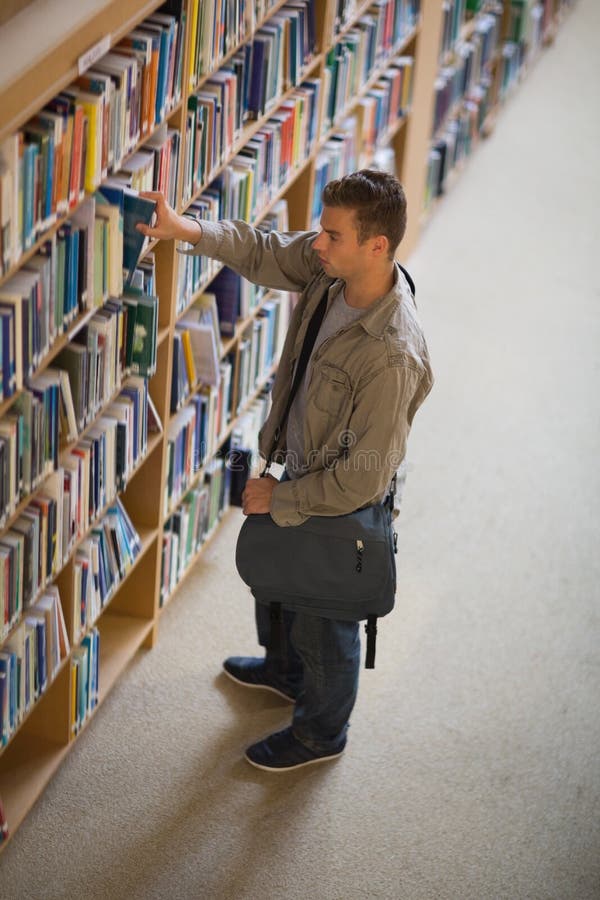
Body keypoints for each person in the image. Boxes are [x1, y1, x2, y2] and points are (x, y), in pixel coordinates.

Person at [137, 170, 433, 772]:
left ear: (376, 246)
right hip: (287, 468)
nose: (316, 244)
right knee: (274, 583)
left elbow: (363, 479)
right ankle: (282, 671)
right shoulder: (333, 270)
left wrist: (283, 499)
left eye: (331, 234)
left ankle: (323, 734)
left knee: (325, 627)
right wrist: (185, 228)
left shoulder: (393, 355)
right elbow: (267, 250)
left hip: (331, 504)